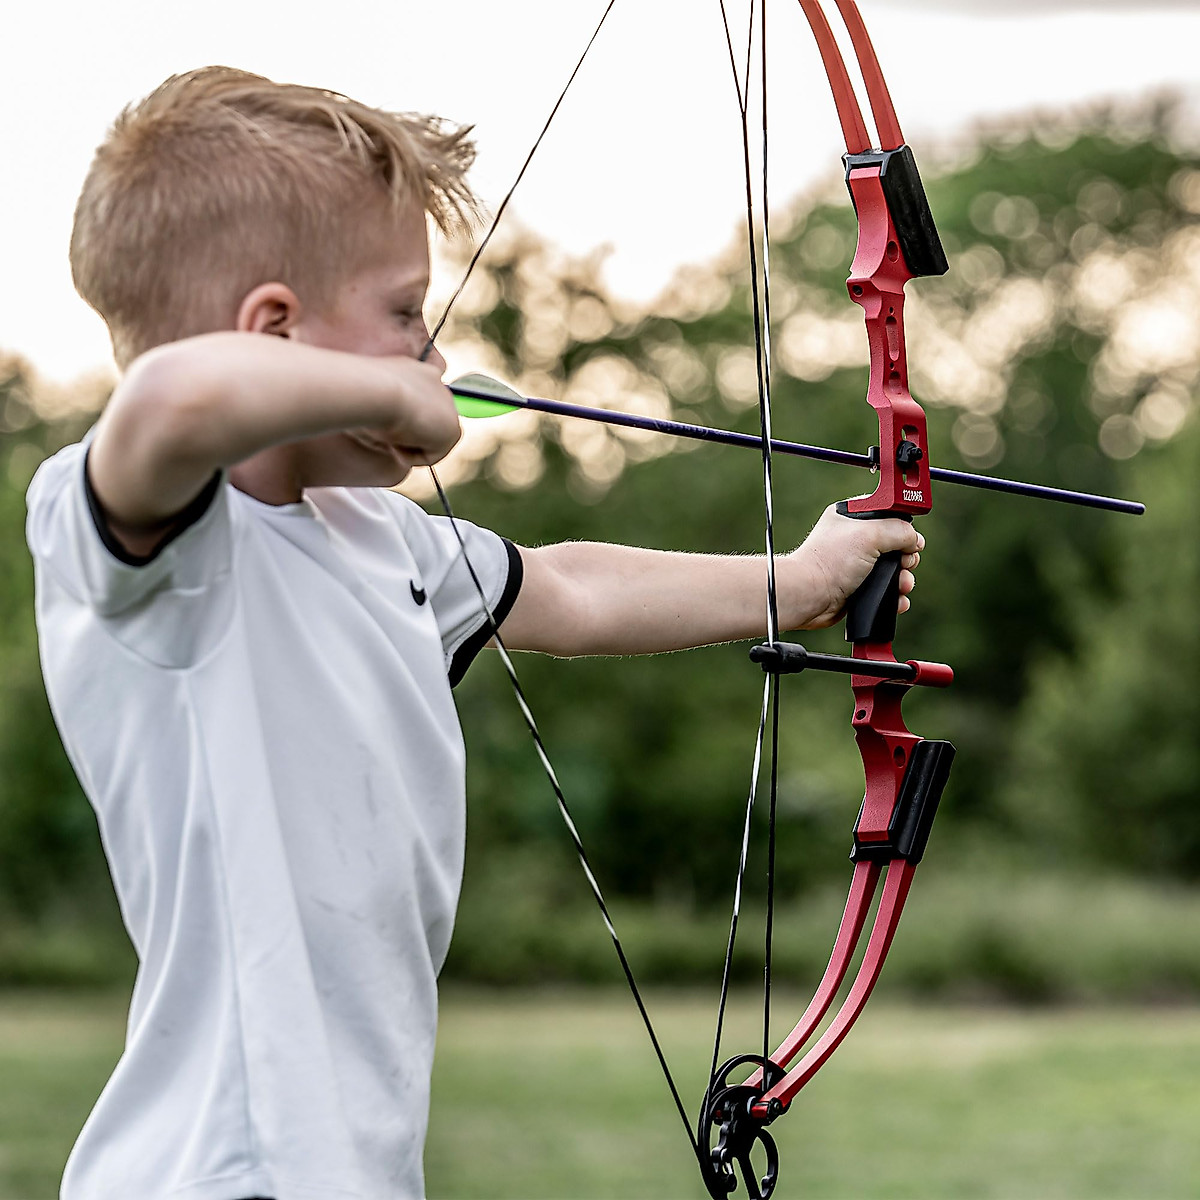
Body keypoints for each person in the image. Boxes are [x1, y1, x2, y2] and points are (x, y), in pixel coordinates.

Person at [25, 67, 924, 1200]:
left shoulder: (379, 544)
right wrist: (396, 401)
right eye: (409, 315)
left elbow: (570, 590)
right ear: (276, 330)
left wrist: (797, 580)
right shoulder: (145, 548)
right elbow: (171, 402)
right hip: (218, 1173)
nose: (433, 355)